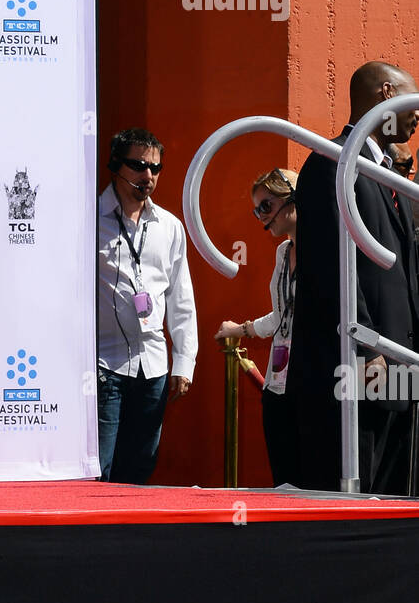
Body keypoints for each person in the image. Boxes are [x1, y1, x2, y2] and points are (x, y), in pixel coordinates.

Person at [290, 61, 419, 493]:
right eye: (409, 99)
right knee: (349, 502)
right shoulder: (333, 163)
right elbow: (329, 267)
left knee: (393, 505)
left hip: (399, 372)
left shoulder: (385, 173)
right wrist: (366, 352)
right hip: (356, 374)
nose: (417, 114)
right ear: (386, 95)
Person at [96, 128, 197, 483]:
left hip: (152, 366)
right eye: (138, 165)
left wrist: (184, 362)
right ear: (115, 165)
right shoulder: (88, 221)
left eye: (155, 168)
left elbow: (181, 298)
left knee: (139, 471)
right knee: (100, 470)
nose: (148, 176)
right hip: (102, 364)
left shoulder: (169, 226)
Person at [216, 169, 300, 485]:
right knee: (284, 479)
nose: (261, 217)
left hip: (311, 385)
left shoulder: (326, 250)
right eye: (256, 209)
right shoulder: (282, 252)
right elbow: (281, 316)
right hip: (277, 384)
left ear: (291, 196)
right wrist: (241, 329)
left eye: (266, 205)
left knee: (312, 482)